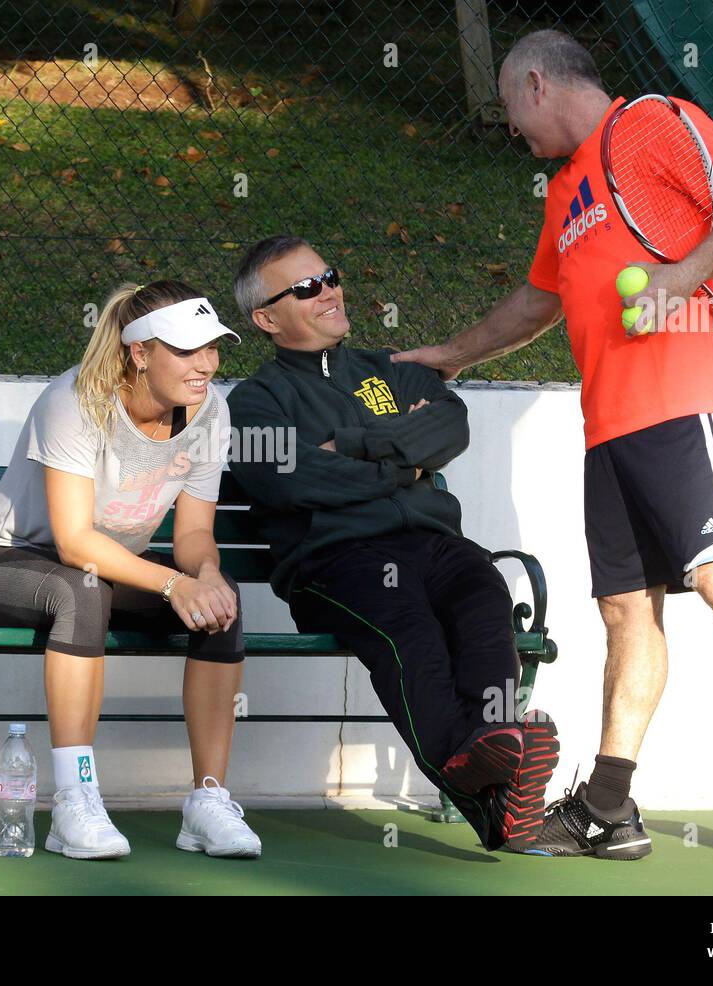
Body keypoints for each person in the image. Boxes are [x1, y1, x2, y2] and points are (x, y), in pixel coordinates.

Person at [394, 29, 713, 858]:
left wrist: (679, 276)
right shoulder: (563, 188)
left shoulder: (650, 121)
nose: (510, 128)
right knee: (625, 612)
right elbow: (540, 302)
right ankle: (610, 806)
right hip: (609, 423)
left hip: (690, 399)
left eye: (508, 107)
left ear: (537, 83)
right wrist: (451, 355)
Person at [226, 235, 561, 853]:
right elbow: (284, 477)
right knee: (409, 631)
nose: (328, 291)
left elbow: (448, 424)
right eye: (305, 288)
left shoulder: (392, 368)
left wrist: (352, 448)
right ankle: (493, 781)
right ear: (267, 319)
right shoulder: (256, 399)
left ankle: (493, 745)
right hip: (339, 561)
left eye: (329, 276)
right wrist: (400, 465)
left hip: (433, 543)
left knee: (485, 593)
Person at [0, 280, 261, 860]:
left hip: (108, 567)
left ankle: (207, 801)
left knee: (221, 600)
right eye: (185, 350)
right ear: (140, 352)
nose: (205, 364)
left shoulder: (210, 410)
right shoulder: (74, 400)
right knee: (84, 590)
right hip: (11, 559)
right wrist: (174, 585)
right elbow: (75, 542)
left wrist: (201, 578)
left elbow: (195, 535)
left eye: (212, 348)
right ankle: (73, 802)